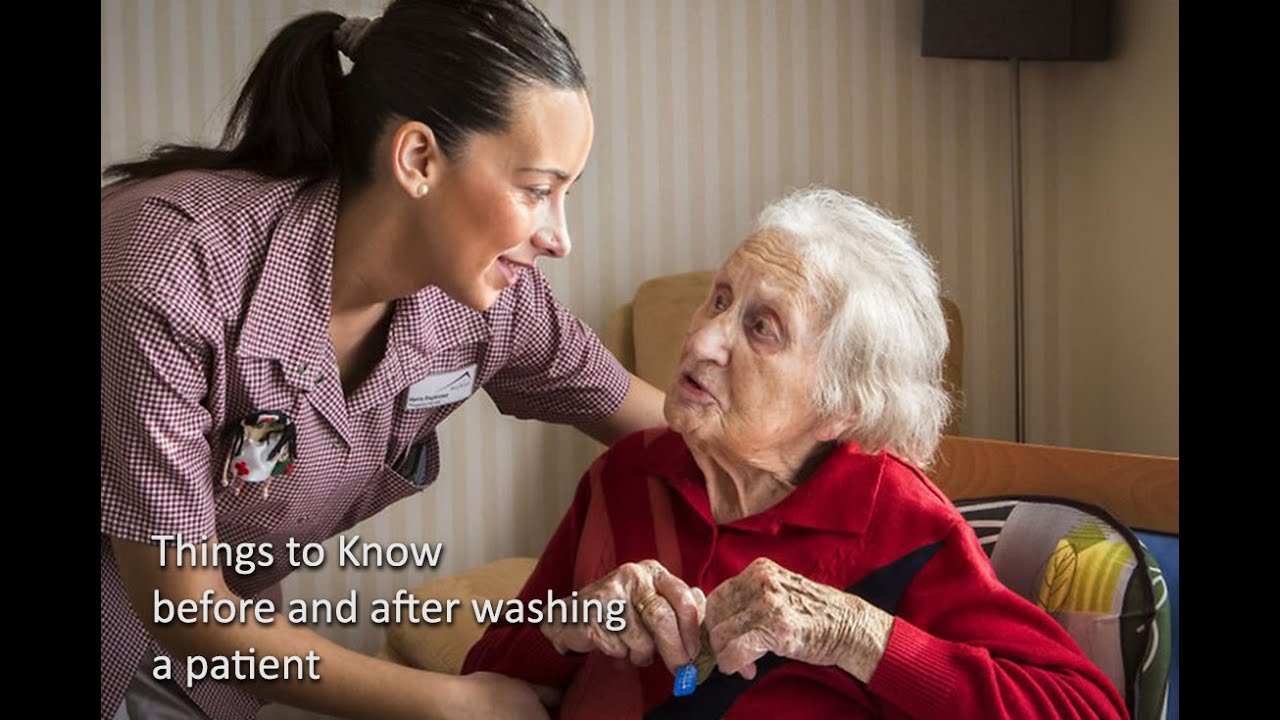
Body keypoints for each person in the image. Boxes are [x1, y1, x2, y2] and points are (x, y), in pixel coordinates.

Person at [100, 1, 666, 719]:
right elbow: (182, 606)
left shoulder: (488, 300)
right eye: (535, 191)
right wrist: (462, 705)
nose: (560, 238)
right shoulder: (166, 272)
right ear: (419, 159)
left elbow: (672, 433)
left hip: (214, 673)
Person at [463, 187, 1129, 719]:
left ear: (842, 405)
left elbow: (1087, 709)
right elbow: (484, 679)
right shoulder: (628, 473)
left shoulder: (896, 522)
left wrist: (857, 635)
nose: (702, 341)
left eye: (761, 328)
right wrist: (567, 625)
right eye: (719, 300)